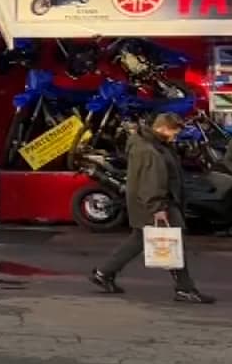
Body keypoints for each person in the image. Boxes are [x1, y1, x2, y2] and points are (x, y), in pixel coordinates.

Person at [91, 112, 215, 303]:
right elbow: (152, 181)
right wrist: (158, 207)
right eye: (174, 132)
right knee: (174, 242)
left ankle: (103, 273)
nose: (175, 136)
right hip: (157, 203)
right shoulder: (149, 150)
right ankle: (184, 288)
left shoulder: (151, 144)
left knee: (139, 239)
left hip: (147, 202)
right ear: (163, 128)